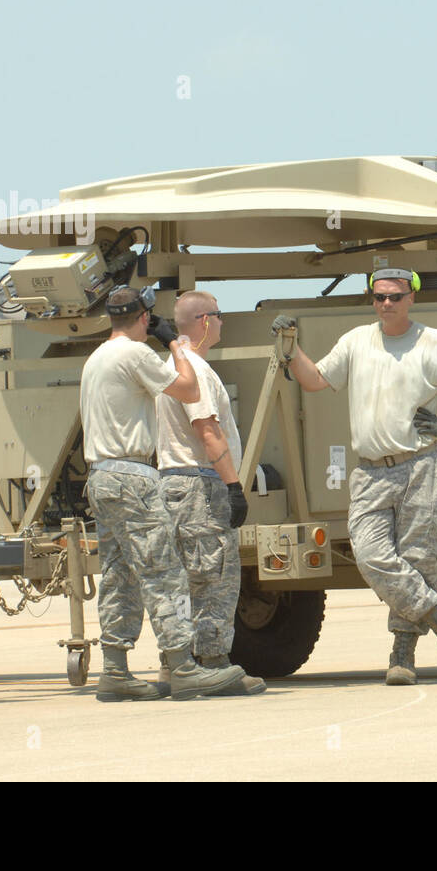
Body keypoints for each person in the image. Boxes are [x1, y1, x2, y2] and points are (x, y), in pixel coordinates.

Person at [273, 267, 437, 684]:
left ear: (411, 299)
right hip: (371, 472)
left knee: (417, 561)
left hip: (420, 465)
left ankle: (402, 654)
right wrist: (291, 349)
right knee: (371, 556)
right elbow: (315, 380)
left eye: (394, 297)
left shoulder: (433, 342)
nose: (385, 304)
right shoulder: (356, 341)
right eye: (378, 297)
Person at [81, 285, 247, 701]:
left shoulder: (96, 357)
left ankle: (115, 669)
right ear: (142, 319)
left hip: (100, 475)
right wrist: (172, 341)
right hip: (132, 475)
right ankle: (183, 666)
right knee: (164, 572)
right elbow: (189, 390)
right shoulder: (135, 353)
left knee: (120, 574)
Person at [155, 290, 265, 697]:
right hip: (201, 484)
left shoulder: (174, 366)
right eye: (218, 316)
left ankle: (176, 665)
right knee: (214, 578)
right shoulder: (195, 370)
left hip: (175, 484)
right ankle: (214, 664)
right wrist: (234, 486)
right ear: (203, 321)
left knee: (183, 578)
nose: (222, 322)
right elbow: (207, 429)